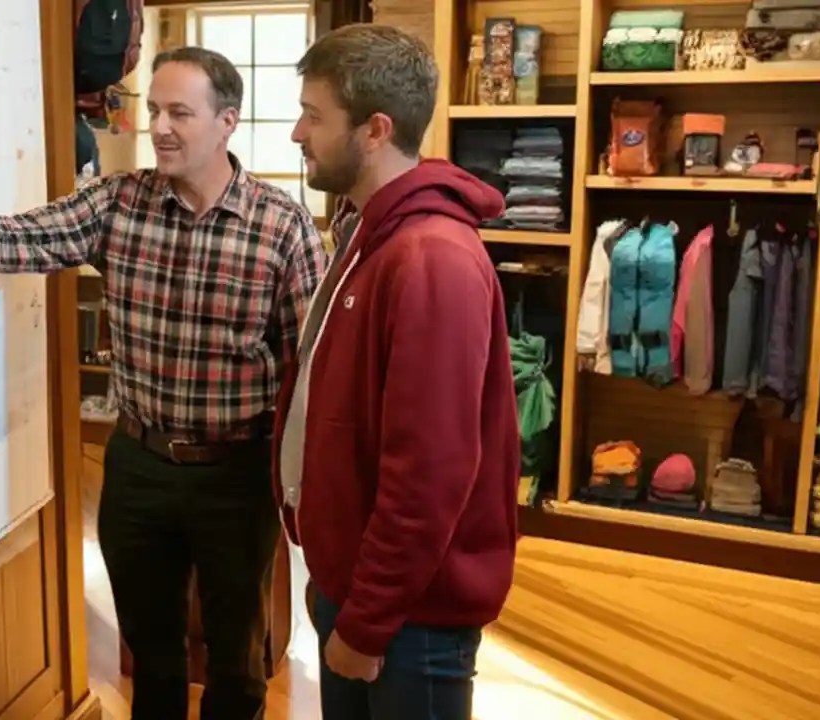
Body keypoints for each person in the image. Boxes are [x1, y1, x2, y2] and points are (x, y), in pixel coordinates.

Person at [0, 46, 328, 720]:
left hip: (237, 476)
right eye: (154, 109)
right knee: (151, 655)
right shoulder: (118, 202)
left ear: (227, 122)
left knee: (237, 664)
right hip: (137, 470)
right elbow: (29, 238)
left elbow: (314, 366)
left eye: (180, 112)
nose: (159, 126)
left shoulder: (283, 225)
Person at [271, 24, 519, 719]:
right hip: (358, 589)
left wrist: (369, 619)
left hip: (410, 619)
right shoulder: (366, 232)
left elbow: (430, 470)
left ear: (375, 129)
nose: (297, 132)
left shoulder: (431, 257)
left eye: (314, 115)